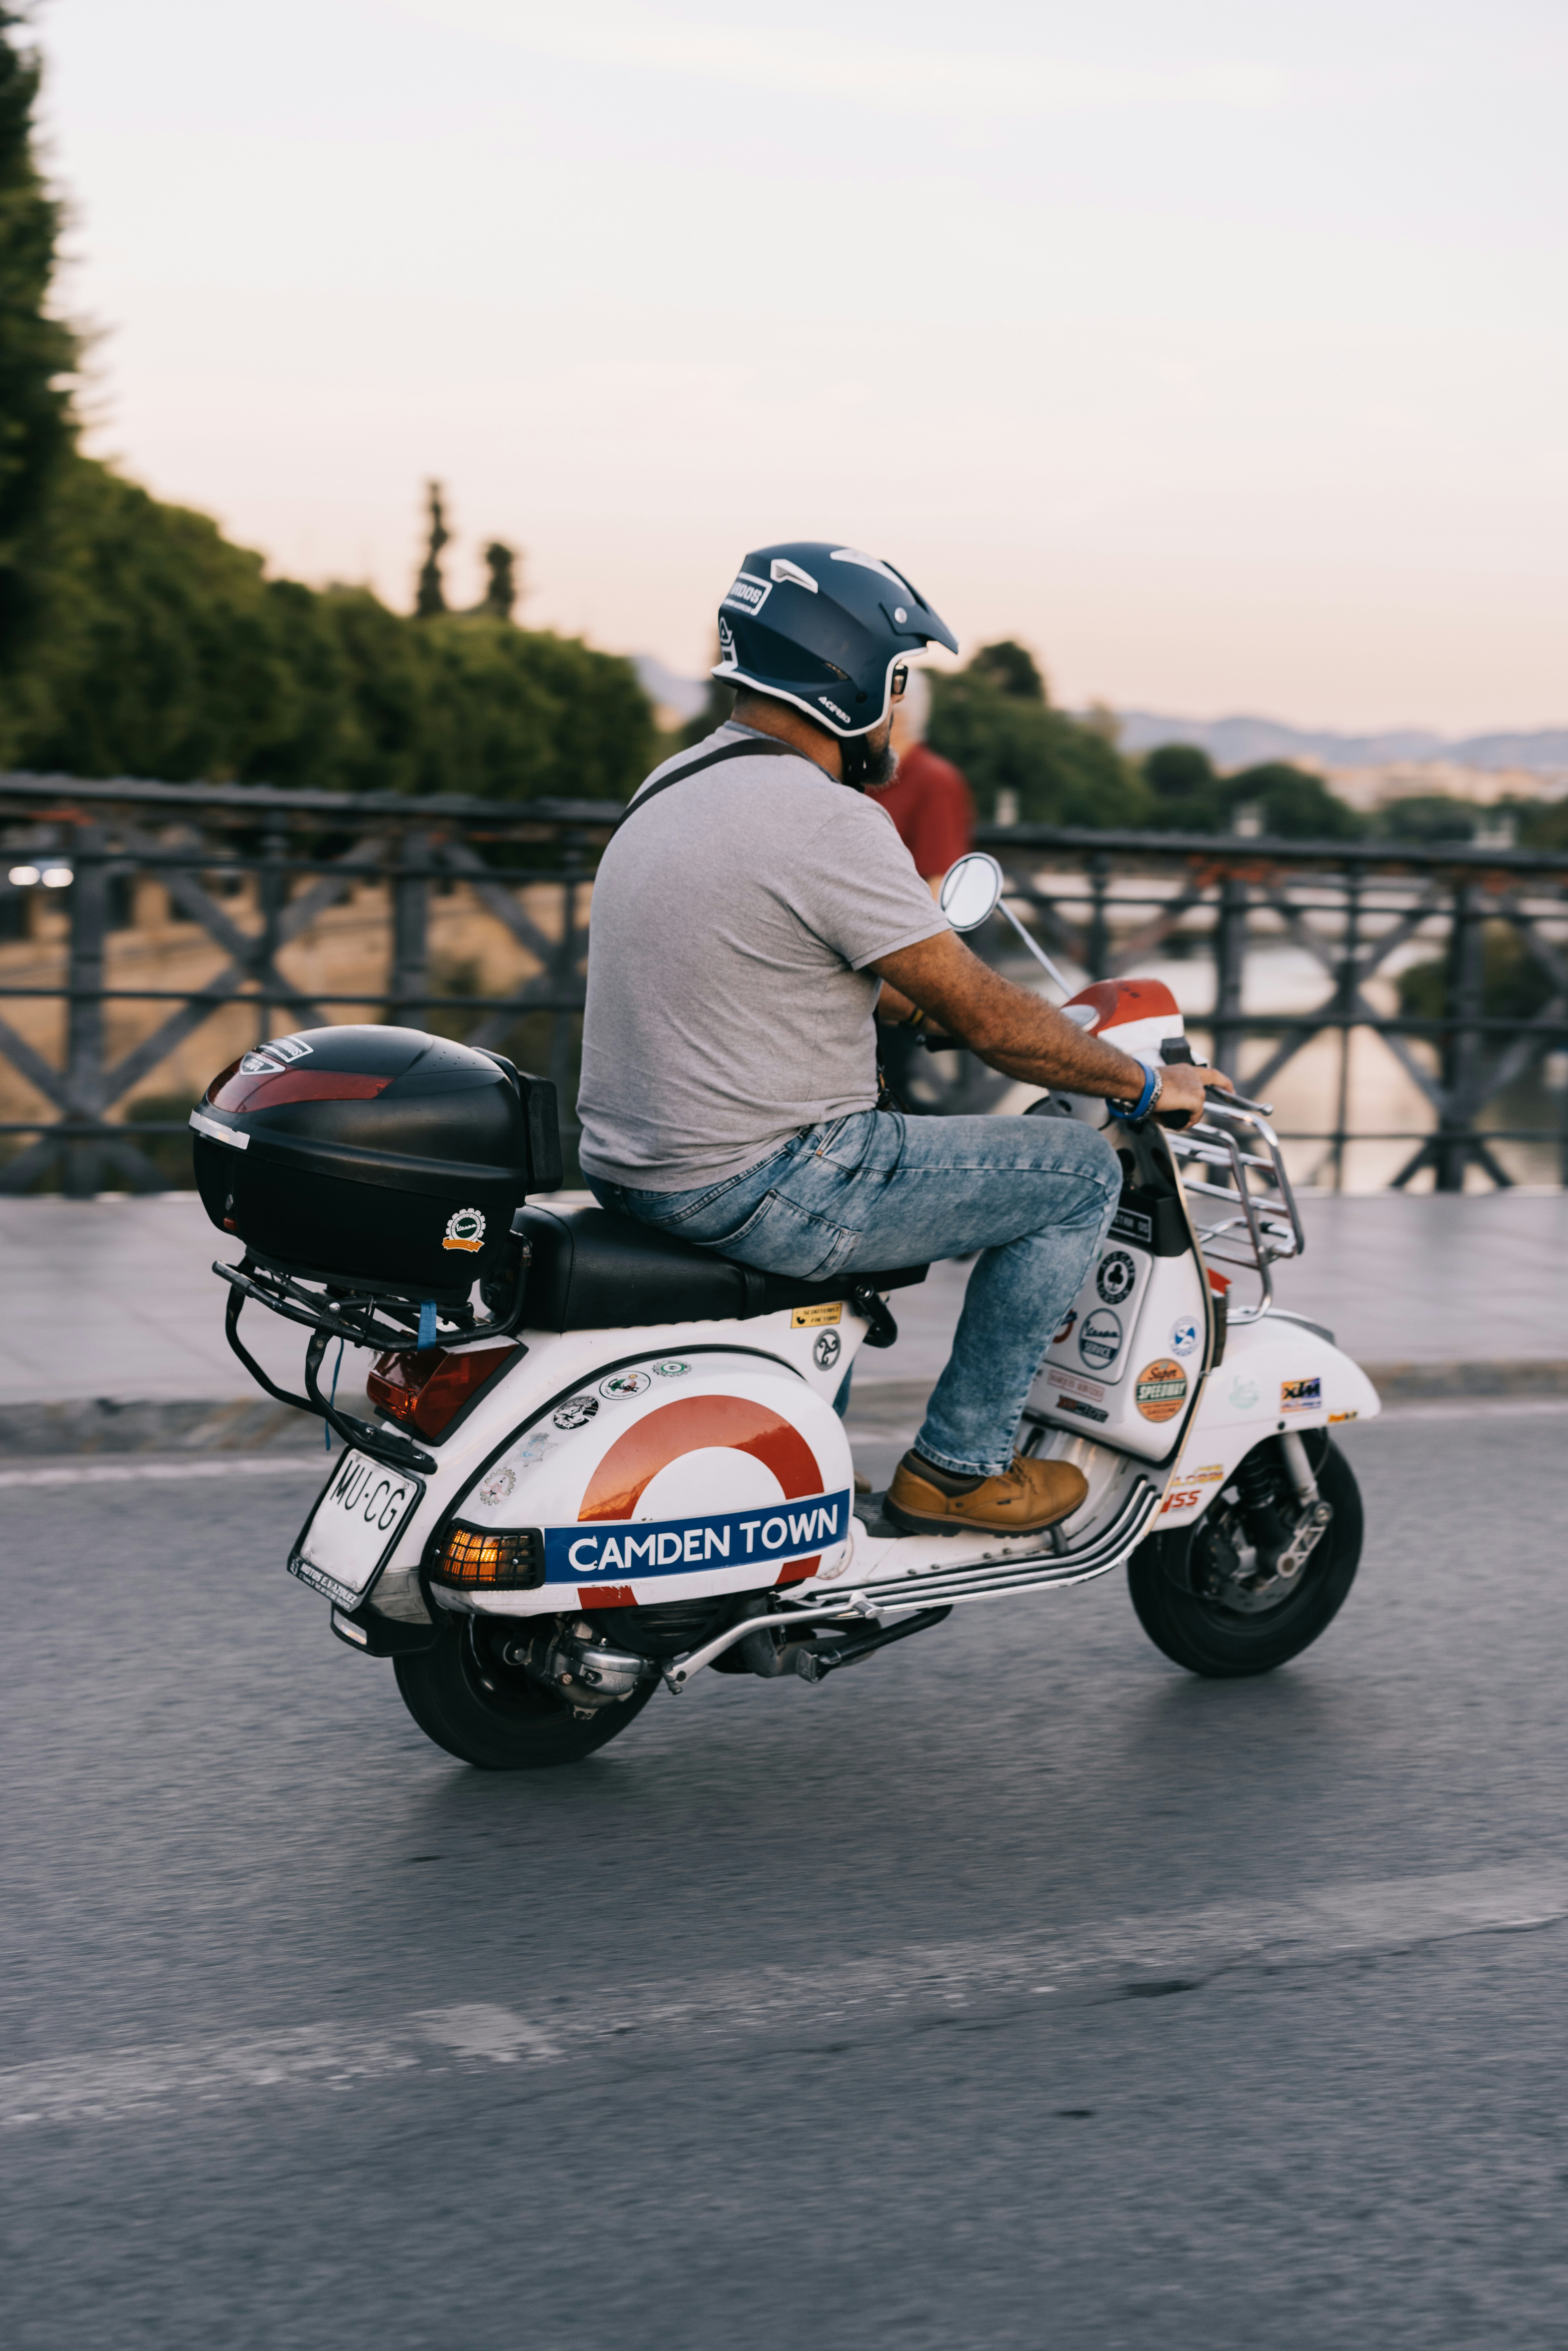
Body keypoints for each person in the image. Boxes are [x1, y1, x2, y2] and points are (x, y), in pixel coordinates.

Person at [577, 541, 1231, 1538]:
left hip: (635, 1167)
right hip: (765, 1178)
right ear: (841, 678)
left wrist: (911, 1008)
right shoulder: (823, 816)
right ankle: (961, 1467)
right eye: (896, 679)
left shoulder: (675, 784)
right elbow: (982, 1012)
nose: (896, 708)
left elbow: (772, 962)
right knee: (1071, 1173)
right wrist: (1141, 1082)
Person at [866, 665, 973, 893]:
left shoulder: (936, 781)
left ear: (899, 718)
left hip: (901, 925)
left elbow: (940, 883)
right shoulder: (866, 773)